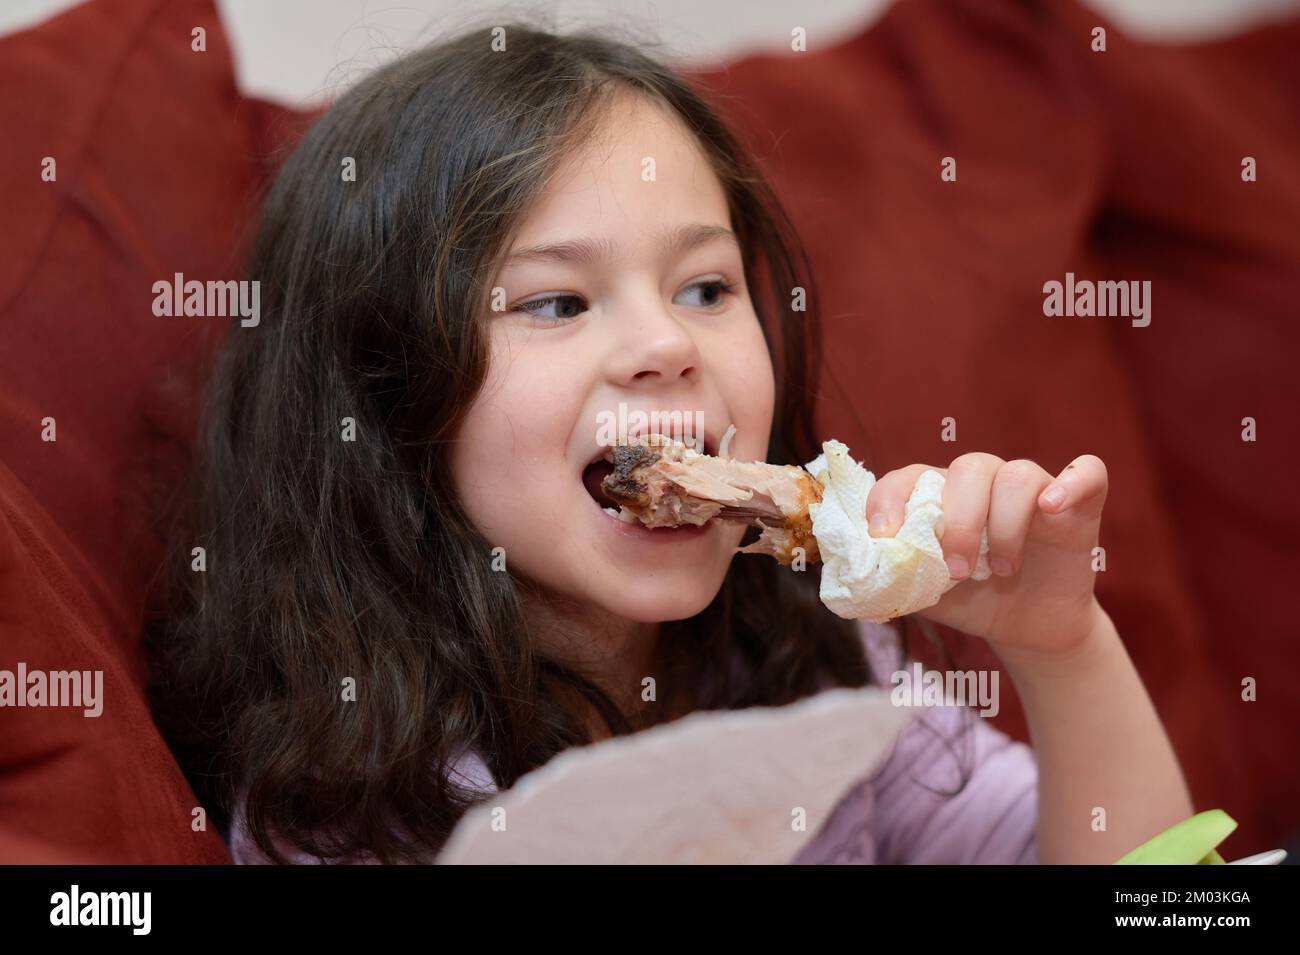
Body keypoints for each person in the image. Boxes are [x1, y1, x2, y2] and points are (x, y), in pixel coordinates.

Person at [146, 22, 1190, 865]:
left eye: (705, 287)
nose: (663, 343)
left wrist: (1061, 648)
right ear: (389, 398)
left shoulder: (828, 672)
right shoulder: (362, 801)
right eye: (557, 301)